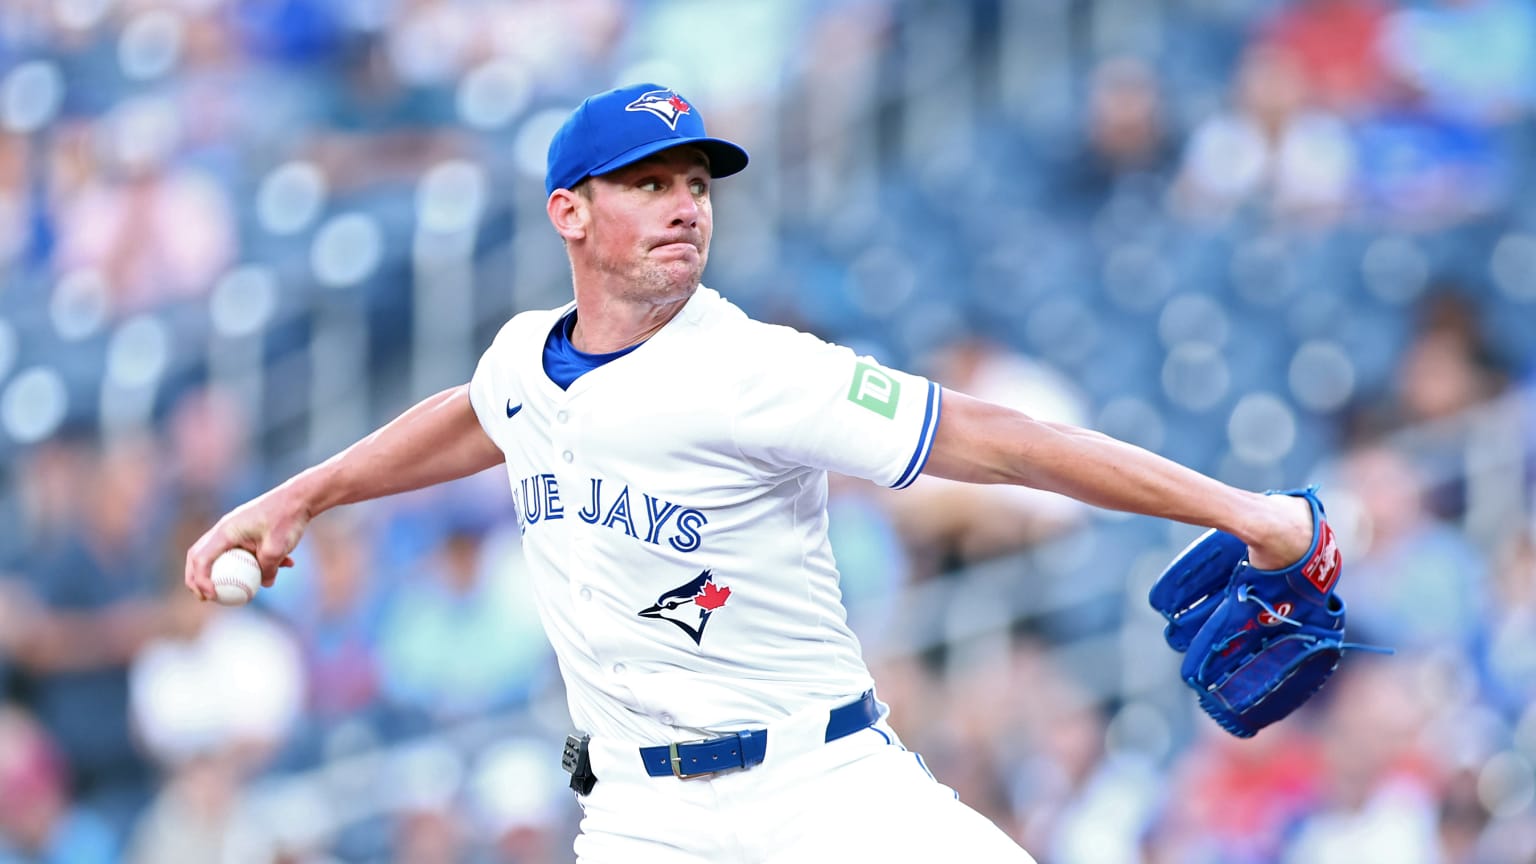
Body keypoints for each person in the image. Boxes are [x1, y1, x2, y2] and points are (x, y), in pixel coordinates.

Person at [186, 82, 1320, 863]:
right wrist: (300, 496)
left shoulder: (753, 368)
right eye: (650, 182)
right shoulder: (522, 360)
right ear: (568, 213)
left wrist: (1241, 510)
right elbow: (477, 414)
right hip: (637, 817)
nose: (685, 204)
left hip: (822, 792)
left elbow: (996, 437)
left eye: (699, 183)